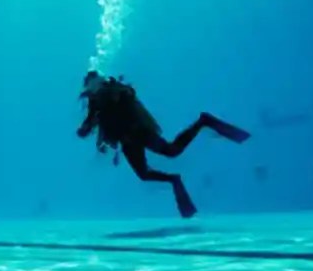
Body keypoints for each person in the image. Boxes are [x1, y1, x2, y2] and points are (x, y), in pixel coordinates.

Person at [77, 70, 250, 218]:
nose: (91, 87)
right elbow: (92, 121)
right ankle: (175, 180)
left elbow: (118, 102)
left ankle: (203, 121)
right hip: (128, 139)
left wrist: (91, 122)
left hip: (139, 132)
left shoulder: (111, 90)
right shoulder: (98, 99)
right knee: (146, 173)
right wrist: (85, 128)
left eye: (91, 83)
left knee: (171, 151)